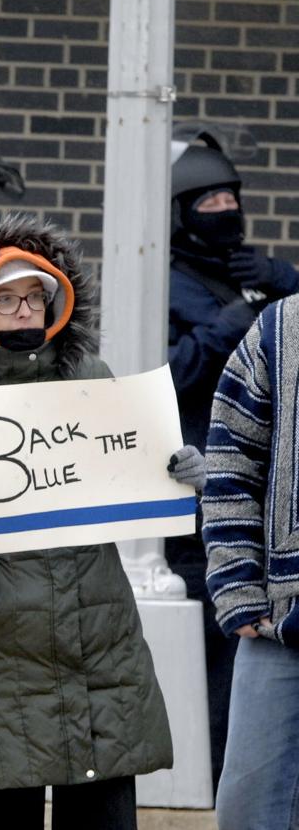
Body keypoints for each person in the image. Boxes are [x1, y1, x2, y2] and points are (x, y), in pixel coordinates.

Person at [0, 213, 198, 830]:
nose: (22, 310)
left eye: (34, 297)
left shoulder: (94, 382)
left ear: (55, 303)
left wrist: (179, 473)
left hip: (99, 643)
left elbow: (138, 482)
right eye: (5, 299)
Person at [165, 127, 299, 791]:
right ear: (179, 215)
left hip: (275, 514)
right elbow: (162, 379)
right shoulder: (160, 286)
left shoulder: (256, 277)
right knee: (225, 674)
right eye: (207, 202)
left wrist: (282, 280)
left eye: (230, 198)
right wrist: (228, 325)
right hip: (202, 507)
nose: (224, 211)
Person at [203, 299, 299, 830]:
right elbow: (231, 461)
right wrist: (236, 584)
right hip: (280, 621)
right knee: (247, 812)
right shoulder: (279, 329)